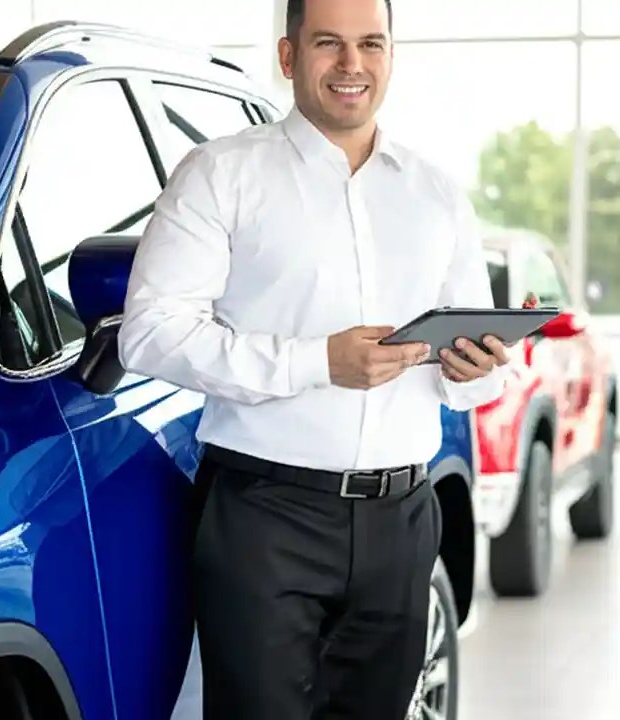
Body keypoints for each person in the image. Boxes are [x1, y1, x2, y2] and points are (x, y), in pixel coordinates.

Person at [118, 0, 510, 716]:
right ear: (290, 56)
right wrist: (315, 363)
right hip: (265, 515)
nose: (352, 63)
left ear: (391, 56)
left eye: (371, 44)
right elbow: (150, 332)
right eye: (328, 43)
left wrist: (478, 371)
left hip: (402, 518)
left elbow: (480, 373)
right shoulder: (220, 174)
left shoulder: (437, 195)